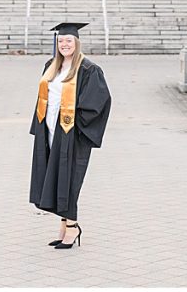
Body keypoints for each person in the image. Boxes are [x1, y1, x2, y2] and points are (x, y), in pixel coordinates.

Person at [29, 22, 111, 249]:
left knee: (70, 178)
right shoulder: (50, 66)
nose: (64, 44)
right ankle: (64, 225)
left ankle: (73, 227)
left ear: (77, 42)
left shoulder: (88, 70)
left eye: (69, 40)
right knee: (57, 177)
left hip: (72, 133)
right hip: (50, 131)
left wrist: (76, 124)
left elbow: (99, 102)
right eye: (61, 41)